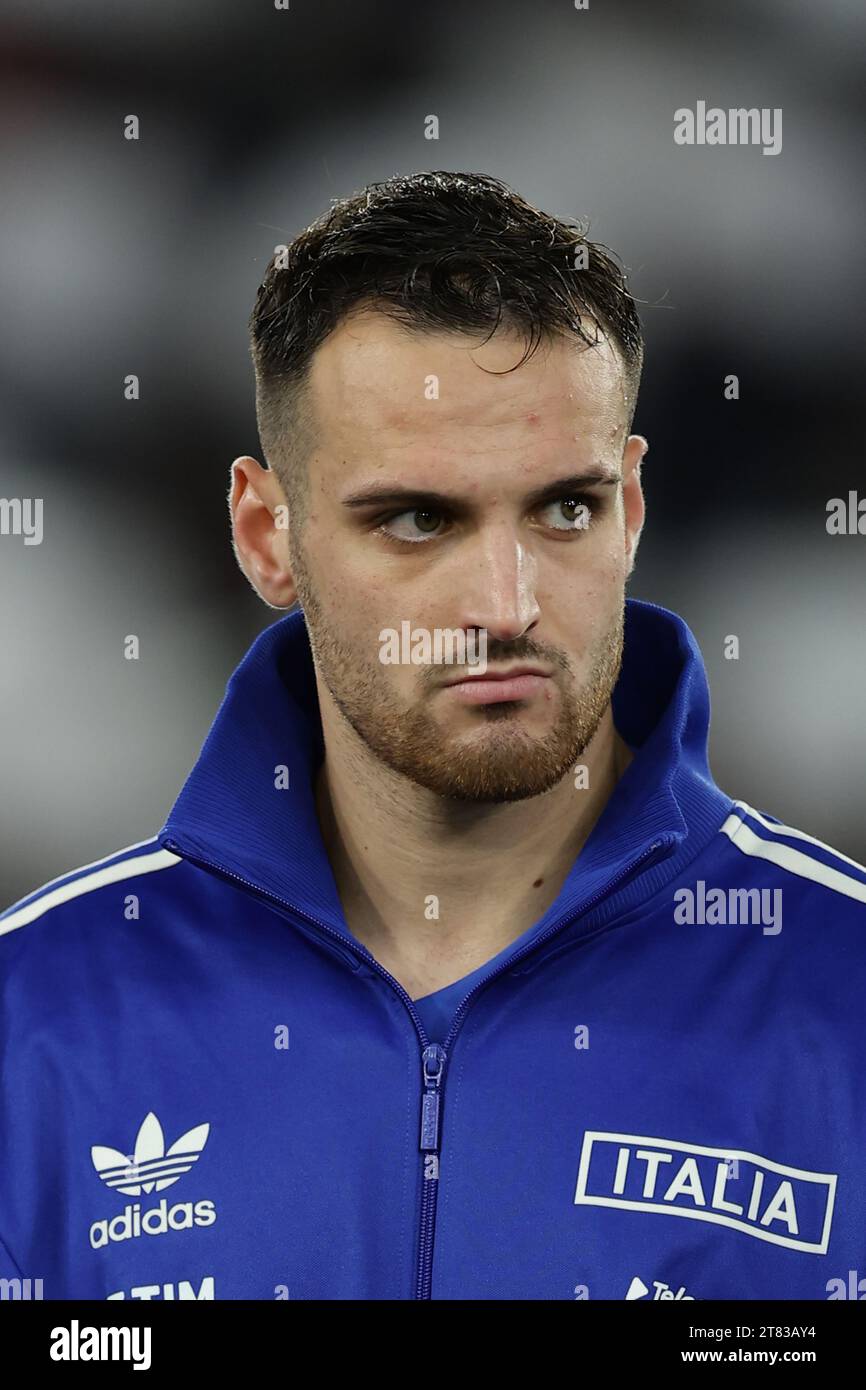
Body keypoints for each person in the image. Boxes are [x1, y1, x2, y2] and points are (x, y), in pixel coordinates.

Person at [1, 171, 864, 1302]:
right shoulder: (37, 1019)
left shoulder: (838, 993)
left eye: (564, 508)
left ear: (632, 510)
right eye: (417, 518)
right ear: (268, 536)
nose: (505, 604)